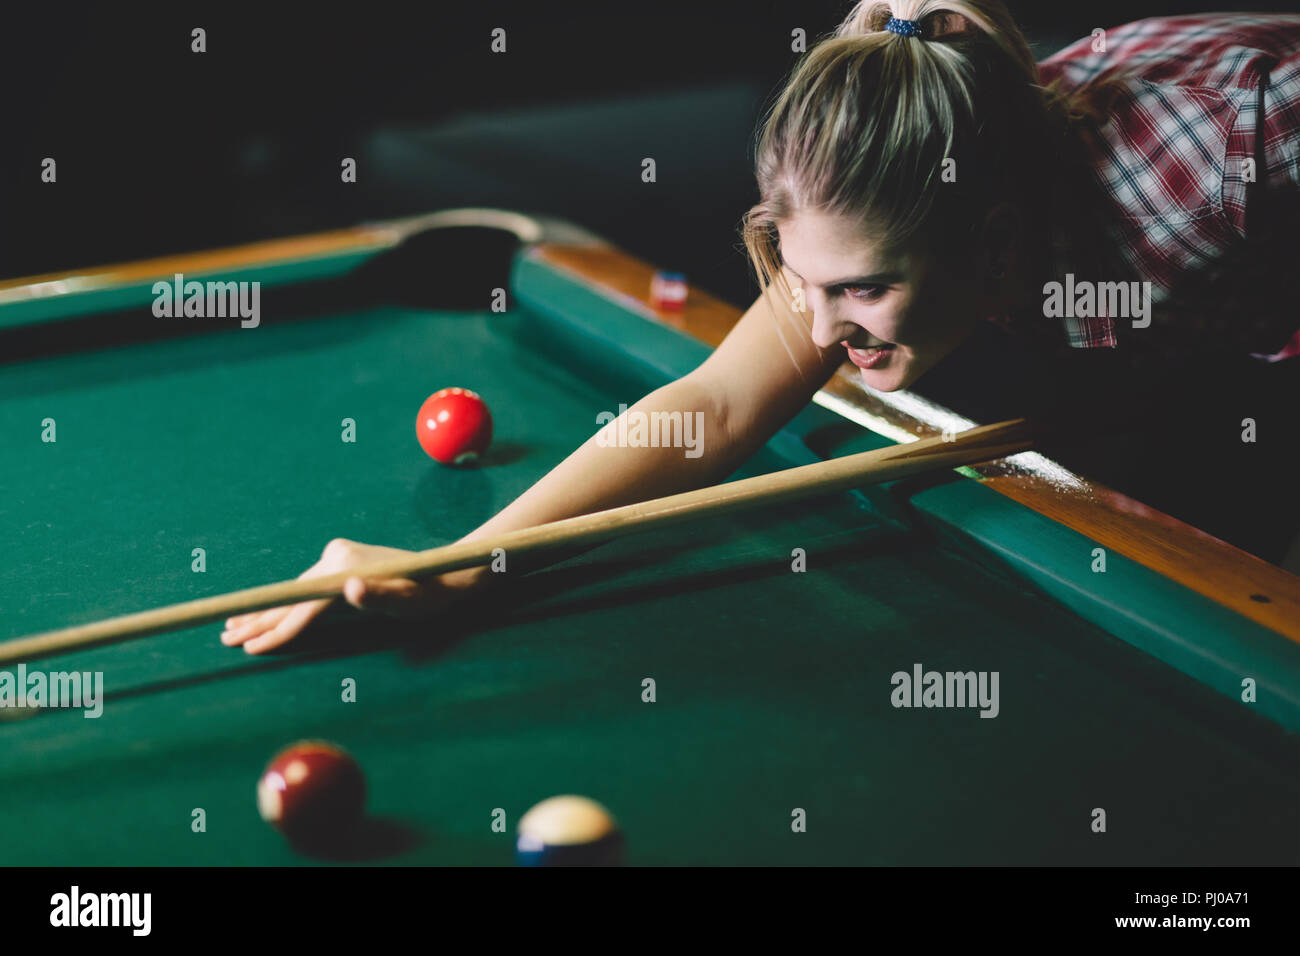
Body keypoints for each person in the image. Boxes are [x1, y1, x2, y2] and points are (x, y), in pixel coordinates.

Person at [222, 2, 1300, 653]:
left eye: (862, 292)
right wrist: (463, 560)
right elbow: (714, 406)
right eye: (801, 280)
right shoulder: (875, 214)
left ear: (997, 241)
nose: (824, 328)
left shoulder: (1234, 164)